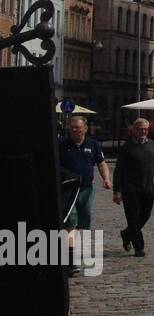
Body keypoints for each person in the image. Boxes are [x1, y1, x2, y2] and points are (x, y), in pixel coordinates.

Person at [59, 116, 112, 274]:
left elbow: (101, 163)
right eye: (72, 127)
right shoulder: (62, 145)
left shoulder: (93, 145)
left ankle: (69, 254)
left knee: (83, 221)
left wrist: (106, 179)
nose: (75, 130)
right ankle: (71, 262)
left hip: (86, 190)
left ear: (85, 128)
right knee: (71, 223)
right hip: (68, 190)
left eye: (78, 127)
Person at [113, 117, 154, 257]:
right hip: (130, 188)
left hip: (147, 187)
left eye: (145, 129)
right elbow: (118, 170)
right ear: (134, 130)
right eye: (140, 129)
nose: (143, 131)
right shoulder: (127, 147)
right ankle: (139, 247)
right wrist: (117, 191)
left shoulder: (152, 144)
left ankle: (126, 234)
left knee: (145, 215)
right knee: (132, 217)